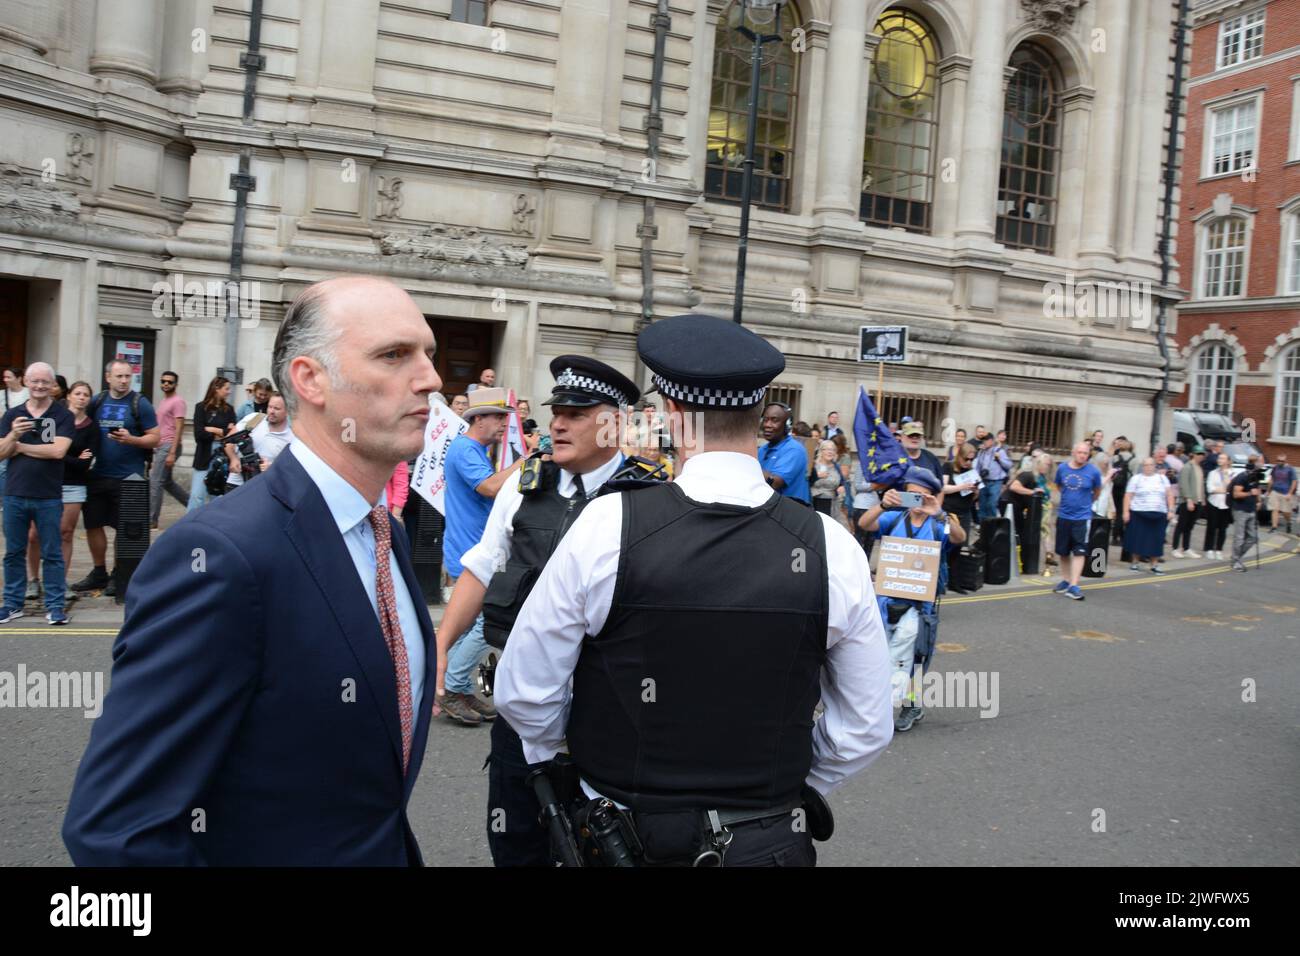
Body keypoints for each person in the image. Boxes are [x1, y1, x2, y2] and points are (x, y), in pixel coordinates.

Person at [64, 275, 441, 865]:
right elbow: (118, 833)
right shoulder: (220, 555)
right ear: (310, 380)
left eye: (429, 354)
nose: (431, 378)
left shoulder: (383, 533)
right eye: (394, 355)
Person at [495, 313, 893, 868]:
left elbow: (526, 691)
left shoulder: (608, 525)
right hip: (769, 839)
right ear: (759, 414)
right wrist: (774, 790)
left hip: (625, 836)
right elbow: (865, 726)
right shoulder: (832, 546)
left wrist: (586, 764)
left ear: (674, 416)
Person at [437, 355, 643, 867]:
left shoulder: (650, 496)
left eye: (576, 413)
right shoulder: (524, 484)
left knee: (605, 844)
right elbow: (482, 568)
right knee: (515, 838)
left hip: (610, 706)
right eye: (557, 411)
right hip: (524, 702)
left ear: (613, 422)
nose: (557, 423)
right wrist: (440, 648)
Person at [440, 386, 525, 725]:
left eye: (506, 417)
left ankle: (457, 689)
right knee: (486, 623)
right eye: (499, 418)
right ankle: (451, 684)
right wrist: (525, 464)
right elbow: (490, 488)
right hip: (470, 552)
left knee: (470, 627)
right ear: (478, 419)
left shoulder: (473, 449)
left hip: (474, 549)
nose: (505, 424)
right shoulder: (465, 449)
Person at [858, 466, 965, 732]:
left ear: (932, 496)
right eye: (912, 495)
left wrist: (938, 512)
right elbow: (864, 524)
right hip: (886, 601)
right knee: (880, 655)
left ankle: (912, 705)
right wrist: (883, 504)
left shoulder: (940, 523)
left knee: (916, 658)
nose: (917, 500)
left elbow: (960, 538)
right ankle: (876, 707)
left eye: (923, 495)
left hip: (920, 604)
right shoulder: (893, 519)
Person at [70, 360, 160, 597]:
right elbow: (82, 426)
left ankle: (118, 573)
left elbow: (155, 438)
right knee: (93, 525)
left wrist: (133, 440)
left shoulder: (140, 403)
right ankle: (98, 571)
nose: (124, 381)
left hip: (129, 478)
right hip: (97, 474)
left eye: (128, 376)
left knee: (124, 529)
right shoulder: (97, 401)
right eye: (119, 376)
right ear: (108, 376)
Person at [0, 362, 75, 625]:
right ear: (27, 383)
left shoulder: (62, 415)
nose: (40, 386)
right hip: (14, 493)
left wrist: (18, 447)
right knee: (13, 552)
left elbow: (57, 451)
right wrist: (13, 436)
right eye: (35, 381)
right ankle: (11, 604)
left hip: (48, 495)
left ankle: (55, 607)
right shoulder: (13, 415)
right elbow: (0, 452)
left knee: (52, 553)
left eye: (45, 382)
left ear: (53, 385)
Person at [1052, 441, 1103, 601]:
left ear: (1088, 455)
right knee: (1063, 551)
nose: (1082, 455)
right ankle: (1066, 580)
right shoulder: (1062, 469)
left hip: (1082, 517)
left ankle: (1074, 585)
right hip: (1064, 515)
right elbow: (1059, 486)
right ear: (1073, 452)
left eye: (1085, 453)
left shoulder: (1093, 471)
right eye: (1080, 452)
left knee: (1079, 550)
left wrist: (1086, 503)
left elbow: (1097, 492)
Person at [186, 377, 236, 515]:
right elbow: (199, 434)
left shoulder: (229, 410)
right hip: (204, 456)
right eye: (226, 388)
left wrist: (212, 429)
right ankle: (190, 527)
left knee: (218, 497)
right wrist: (221, 431)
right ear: (216, 388)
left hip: (222, 456)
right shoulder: (201, 408)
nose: (229, 392)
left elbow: (231, 433)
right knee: (197, 495)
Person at [148, 370, 188, 529]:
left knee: (155, 481)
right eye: (163, 381)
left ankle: (152, 519)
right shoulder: (164, 400)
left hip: (169, 445)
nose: (165, 384)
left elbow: (179, 428)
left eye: (170, 382)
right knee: (167, 482)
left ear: (176, 384)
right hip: (161, 445)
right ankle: (192, 505)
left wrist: (172, 451)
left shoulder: (178, 402)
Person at [1123, 457, 1175, 574]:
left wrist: (1171, 510)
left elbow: (1169, 495)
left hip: (1159, 513)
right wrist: (1126, 512)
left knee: (1156, 540)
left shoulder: (1162, 479)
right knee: (1138, 539)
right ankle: (1135, 563)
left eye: (1150, 465)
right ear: (1142, 467)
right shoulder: (1136, 479)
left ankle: (1154, 565)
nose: (1148, 467)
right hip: (1139, 512)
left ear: (1155, 466)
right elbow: (1128, 496)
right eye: (1145, 465)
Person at [759, 401, 811, 504]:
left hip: (791, 514)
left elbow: (774, 483)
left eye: (774, 420)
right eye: (765, 420)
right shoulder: (762, 450)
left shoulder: (794, 450)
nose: (767, 425)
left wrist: (748, 464)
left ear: (787, 425)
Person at [1227, 454, 1264, 572]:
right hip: (1240, 510)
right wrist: (1249, 494)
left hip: (1251, 510)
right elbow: (1236, 494)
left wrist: (1258, 501)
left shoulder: (1256, 476)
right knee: (1239, 537)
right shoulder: (1242, 477)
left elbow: (1256, 491)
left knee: (1253, 538)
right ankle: (1235, 562)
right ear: (1255, 463)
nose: (1263, 464)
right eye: (1261, 462)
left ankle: (1236, 558)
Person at [1171, 446, 1206, 558]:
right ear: (1193, 454)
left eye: (1202, 454)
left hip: (1198, 501)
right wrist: (1189, 500)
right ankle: (1175, 548)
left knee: (1189, 527)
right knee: (1181, 525)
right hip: (1187, 501)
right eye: (1198, 454)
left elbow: (1200, 485)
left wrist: (1203, 499)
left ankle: (1186, 548)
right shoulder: (1187, 467)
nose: (1200, 456)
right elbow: (1183, 484)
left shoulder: (1199, 467)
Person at [941, 440, 980, 540]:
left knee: (961, 543)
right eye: (966, 459)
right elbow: (943, 488)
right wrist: (961, 487)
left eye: (972, 460)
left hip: (965, 513)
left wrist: (975, 491)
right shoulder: (948, 466)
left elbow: (974, 497)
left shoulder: (971, 471)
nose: (968, 462)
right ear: (959, 456)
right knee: (946, 540)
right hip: (949, 512)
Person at [975, 432, 1013, 521]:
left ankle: (992, 526)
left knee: (992, 504)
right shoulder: (981, 452)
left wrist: (999, 458)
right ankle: (982, 527)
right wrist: (976, 480)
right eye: (983, 440)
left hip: (996, 482)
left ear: (991, 441)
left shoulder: (1000, 451)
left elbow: (1009, 465)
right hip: (983, 481)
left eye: (986, 440)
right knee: (982, 505)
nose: (984, 442)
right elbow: (977, 467)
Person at [250, 392, 295, 467]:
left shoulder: (291, 439)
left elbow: (291, 467)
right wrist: (233, 459)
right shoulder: (254, 419)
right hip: (237, 476)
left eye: (277, 408)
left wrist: (271, 468)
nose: (271, 411)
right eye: (270, 407)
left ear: (287, 411)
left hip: (264, 477)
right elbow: (228, 442)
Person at [1203, 452, 1233, 560]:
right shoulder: (1212, 473)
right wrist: (1224, 491)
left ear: (1228, 461)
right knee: (1211, 527)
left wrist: (1225, 478)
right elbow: (1210, 489)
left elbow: (1231, 490)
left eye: (1223, 458)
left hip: (1225, 505)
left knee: (1222, 529)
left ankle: (1219, 549)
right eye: (1219, 458)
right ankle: (1209, 549)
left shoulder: (1232, 473)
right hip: (1213, 503)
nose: (1220, 460)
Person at [810, 440, 843, 515]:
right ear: (821, 451)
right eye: (827, 449)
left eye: (833, 450)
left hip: (832, 502)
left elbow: (841, 482)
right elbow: (806, 482)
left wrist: (841, 486)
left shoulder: (836, 466)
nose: (830, 452)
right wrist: (817, 476)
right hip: (815, 501)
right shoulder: (813, 465)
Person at [1267, 453, 1295, 533]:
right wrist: (1269, 491)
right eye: (1278, 460)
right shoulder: (1275, 468)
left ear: (1285, 461)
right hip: (1275, 491)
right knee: (1275, 509)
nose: (1279, 462)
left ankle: (1288, 522)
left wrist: (1290, 493)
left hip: (1286, 493)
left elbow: (1294, 481)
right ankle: (1274, 527)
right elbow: (1272, 479)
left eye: (1281, 461)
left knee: (1285, 512)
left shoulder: (1290, 469)